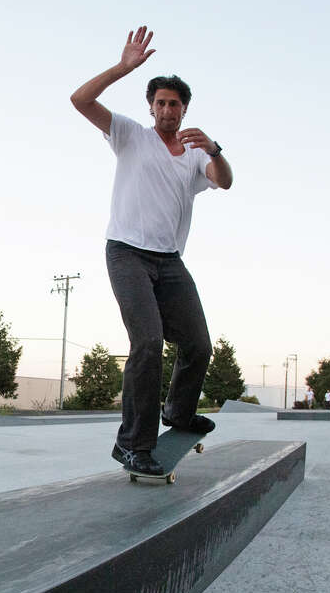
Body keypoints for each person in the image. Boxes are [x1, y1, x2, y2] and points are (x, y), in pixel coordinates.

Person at [70, 26, 233, 476]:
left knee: (198, 345)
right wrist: (123, 68)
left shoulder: (197, 154)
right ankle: (131, 444)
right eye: (159, 103)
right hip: (126, 254)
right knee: (147, 343)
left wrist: (216, 150)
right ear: (151, 107)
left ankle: (178, 412)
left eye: (174, 104)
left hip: (170, 263)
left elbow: (225, 180)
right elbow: (80, 101)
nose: (166, 110)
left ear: (184, 110)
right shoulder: (129, 135)